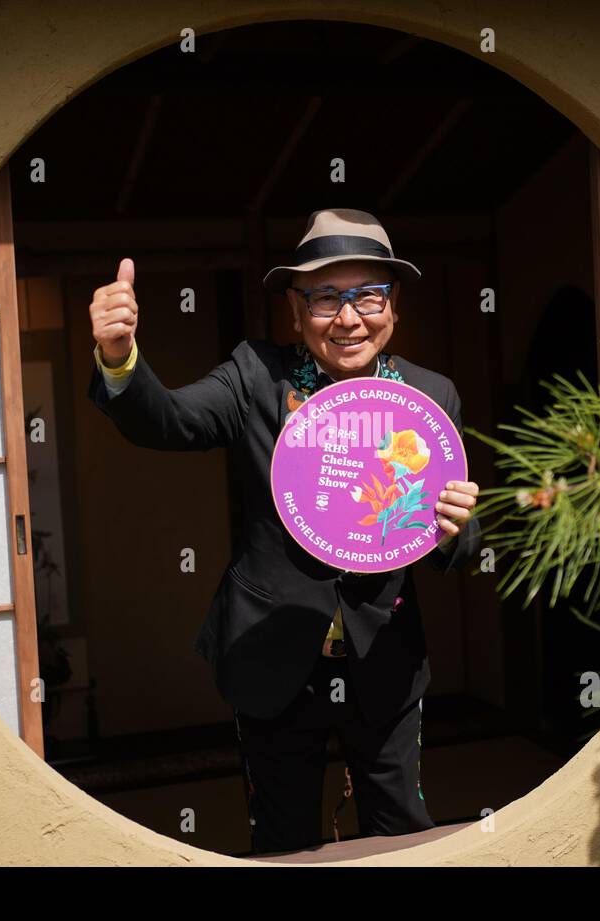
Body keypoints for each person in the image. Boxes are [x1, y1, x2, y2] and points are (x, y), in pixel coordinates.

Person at [86, 208, 481, 854]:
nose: (348, 317)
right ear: (296, 311)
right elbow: (170, 420)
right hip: (273, 656)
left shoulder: (430, 398)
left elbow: (461, 546)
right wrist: (119, 356)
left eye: (366, 296)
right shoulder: (255, 376)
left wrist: (451, 530)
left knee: (402, 836)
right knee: (283, 841)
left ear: (394, 305)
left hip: (384, 655)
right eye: (325, 297)